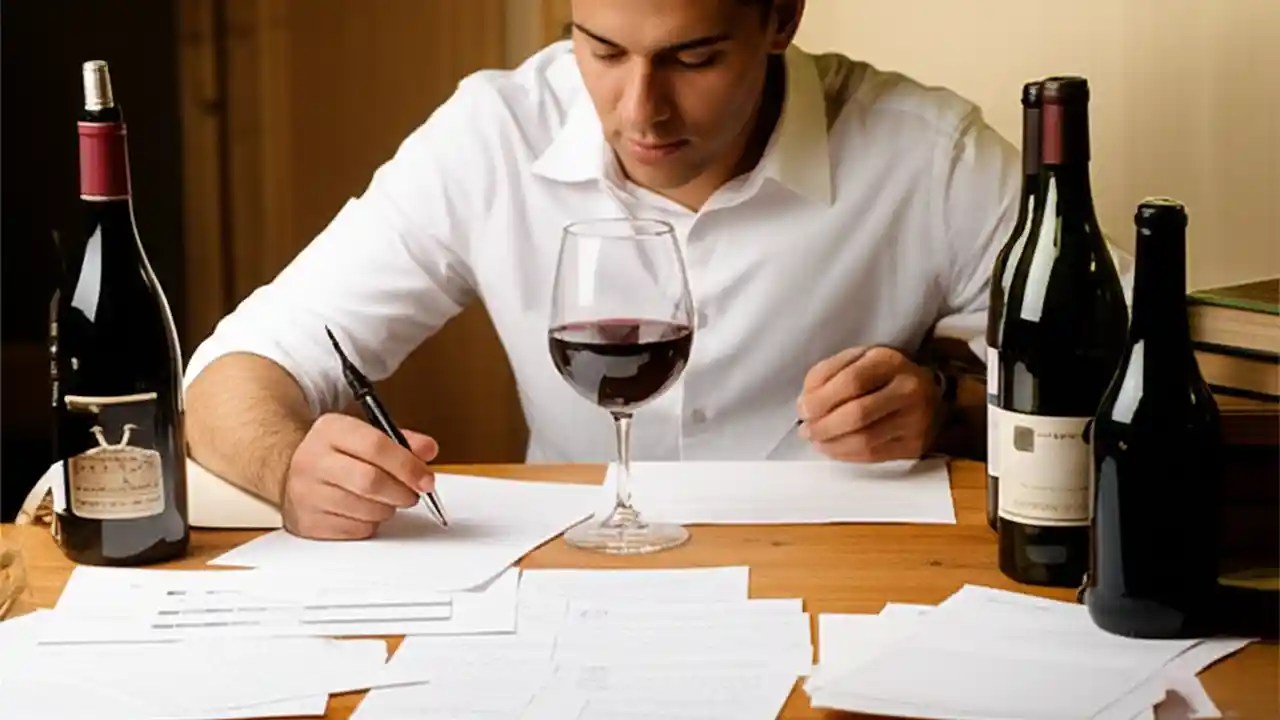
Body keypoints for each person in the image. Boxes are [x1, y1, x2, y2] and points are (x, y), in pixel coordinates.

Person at [184, 0, 1019, 540]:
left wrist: (949, 409)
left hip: (843, 589)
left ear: (780, 17)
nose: (639, 110)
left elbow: (1128, 374)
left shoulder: (928, 154)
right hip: (575, 592)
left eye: (693, 60)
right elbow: (234, 372)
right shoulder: (494, 135)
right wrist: (288, 464)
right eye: (603, 50)